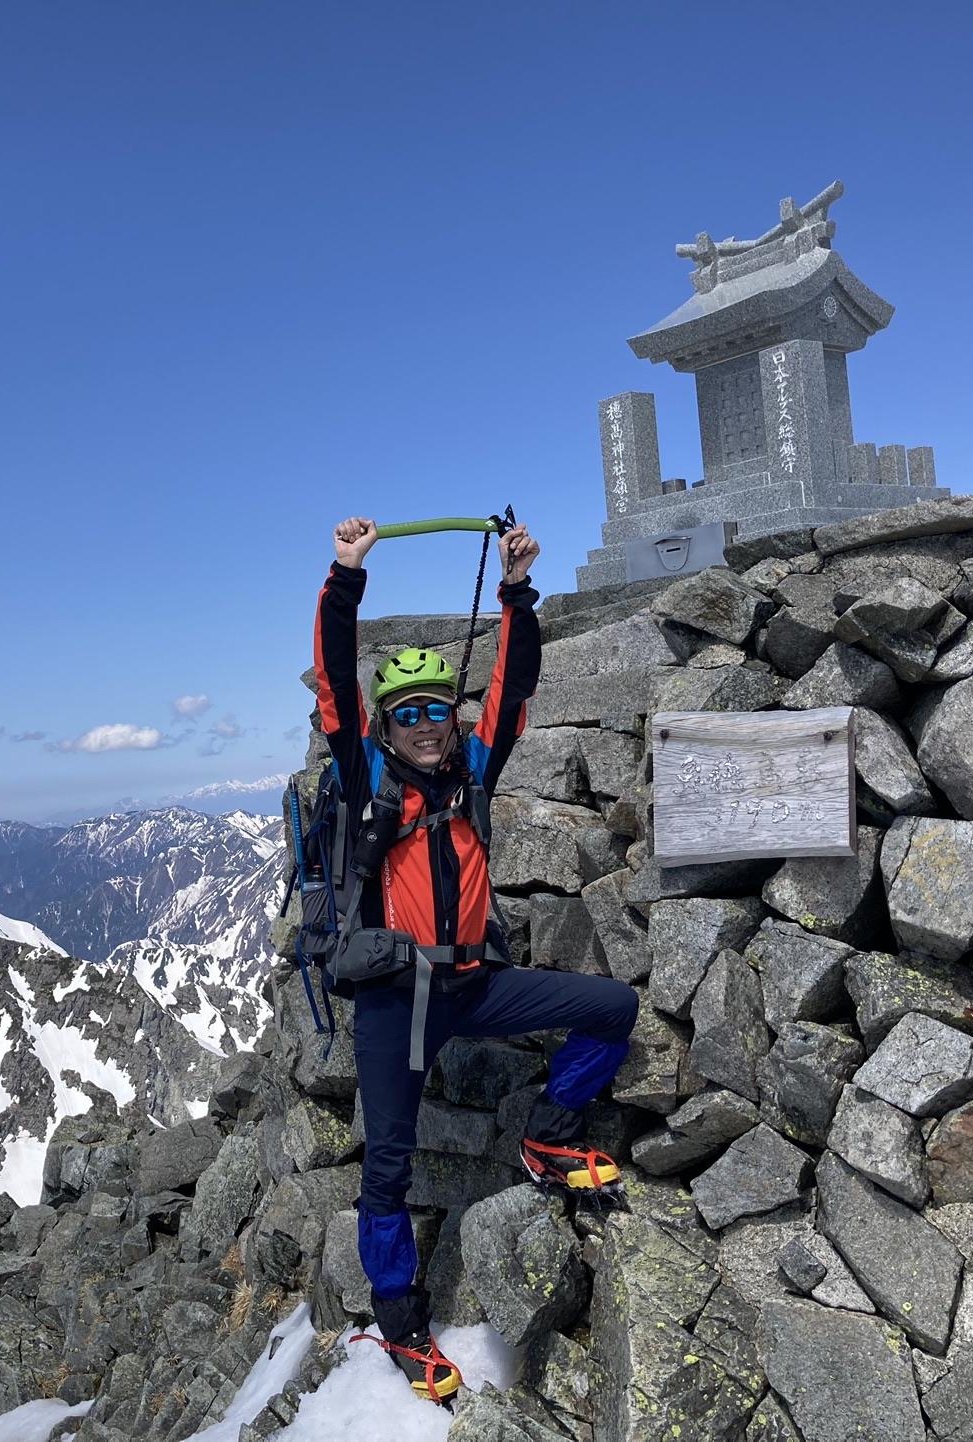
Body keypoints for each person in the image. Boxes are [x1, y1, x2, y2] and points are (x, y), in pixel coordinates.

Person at [313, 516, 641, 1403]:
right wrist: (346, 578)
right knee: (388, 1165)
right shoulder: (362, 775)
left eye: (437, 711)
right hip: (396, 1000)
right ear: (388, 726)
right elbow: (337, 692)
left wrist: (517, 588)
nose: (427, 725)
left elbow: (514, 686)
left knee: (611, 1010)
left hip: (476, 982)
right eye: (408, 714)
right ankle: (402, 1322)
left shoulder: (474, 771)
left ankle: (548, 1132)